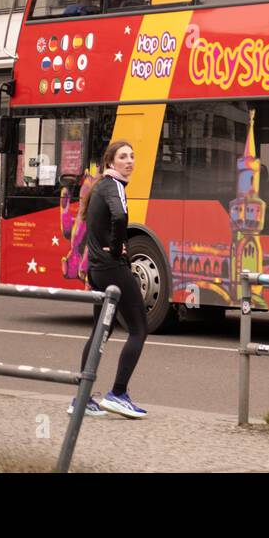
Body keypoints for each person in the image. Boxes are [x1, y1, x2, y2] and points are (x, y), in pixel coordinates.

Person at [70, 140, 149, 419]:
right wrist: (118, 249)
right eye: (123, 157)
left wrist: (110, 247)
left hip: (98, 270)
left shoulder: (100, 186)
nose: (130, 161)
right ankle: (117, 393)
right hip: (113, 269)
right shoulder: (114, 186)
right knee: (139, 329)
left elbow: (97, 228)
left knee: (100, 330)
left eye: (132, 156)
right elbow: (120, 215)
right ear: (111, 162)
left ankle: (81, 397)